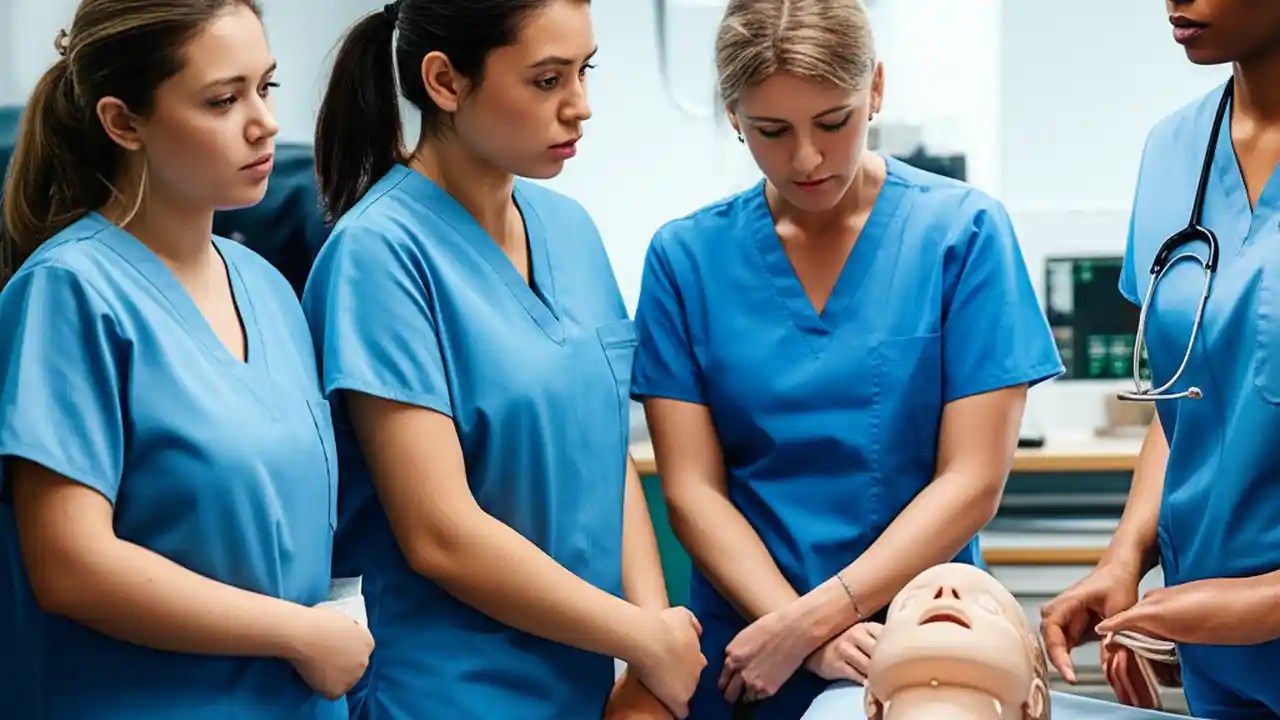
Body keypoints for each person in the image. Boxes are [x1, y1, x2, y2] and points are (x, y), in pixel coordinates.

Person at [630, 1, 1063, 718]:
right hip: (754, 648)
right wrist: (797, 634)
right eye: (771, 131)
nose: (807, 158)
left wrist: (817, 619)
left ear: (878, 90)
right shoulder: (685, 259)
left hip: (927, 640)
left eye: (834, 122)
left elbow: (973, 478)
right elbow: (693, 492)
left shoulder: (962, 233)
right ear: (733, 116)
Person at [301, 1, 704, 718]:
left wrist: (654, 667)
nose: (579, 108)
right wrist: (642, 635)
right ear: (446, 82)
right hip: (452, 695)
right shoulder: (379, 257)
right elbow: (441, 536)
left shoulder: (570, 230)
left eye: (585, 72)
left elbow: (604, 456)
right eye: (547, 81)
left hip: (594, 689)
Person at [0, 1, 375, 718]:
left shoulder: (266, 285)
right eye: (222, 100)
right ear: (123, 123)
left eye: (265, 87)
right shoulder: (68, 294)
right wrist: (298, 634)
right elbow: (70, 567)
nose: (264, 122)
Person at [1041, 2, 1280, 717]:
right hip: (1214, 654)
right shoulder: (1174, 150)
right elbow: (1183, 396)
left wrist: (1259, 603)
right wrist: (1125, 561)